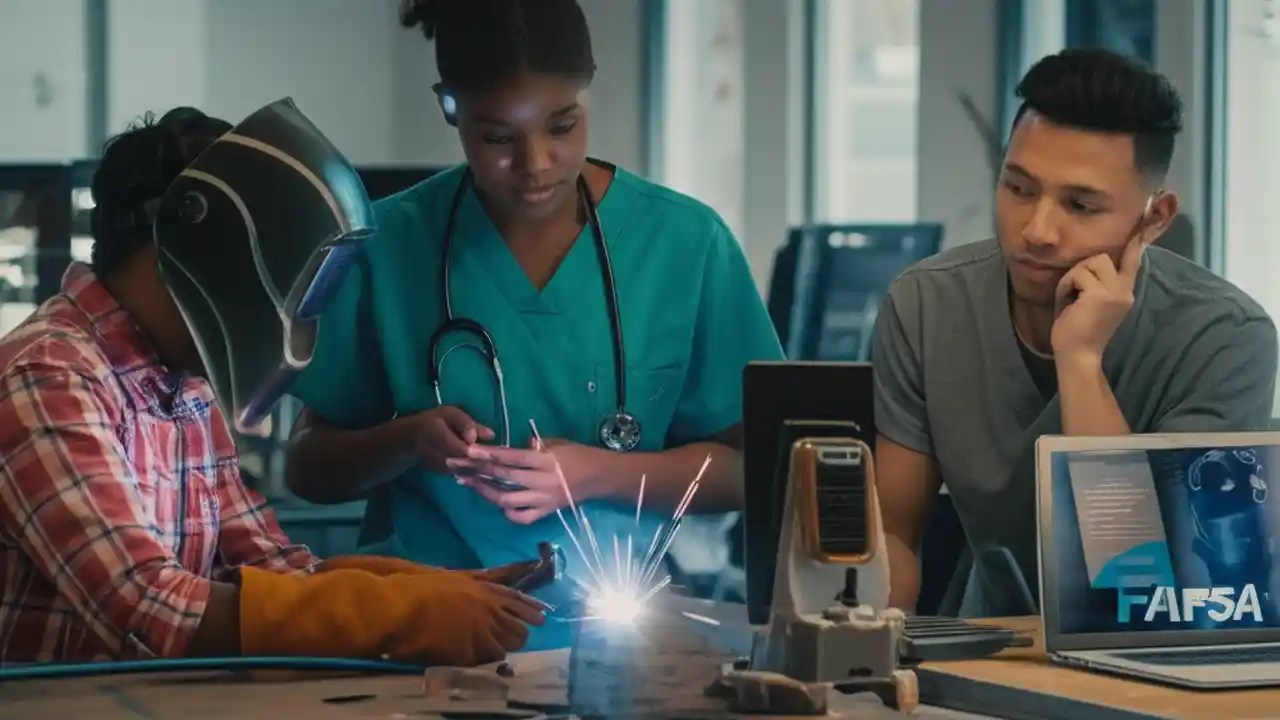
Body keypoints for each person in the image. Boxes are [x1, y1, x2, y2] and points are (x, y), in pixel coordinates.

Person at [284, 0, 784, 645]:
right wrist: (405, 441)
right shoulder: (388, 244)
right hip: (424, 631)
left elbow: (756, 469)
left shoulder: (684, 243)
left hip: (613, 638)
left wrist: (596, 472)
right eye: (498, 138)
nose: (537, 163)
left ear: (587, 95)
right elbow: (307, 469)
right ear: (449, 108)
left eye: (562, 125)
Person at [0, 101, 547, 665]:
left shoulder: (182, 384)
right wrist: (404, 615)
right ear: (187, 248)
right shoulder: (49, 377)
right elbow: (151, 610)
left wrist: (435, 588)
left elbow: (269, 565)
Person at [872, 48, 1279, 617]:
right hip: (988, 646)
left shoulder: (1226, 337)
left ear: (1154, 218)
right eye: (1018, 189)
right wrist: (864, 649)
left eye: (1081, 206)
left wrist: (1081, 359)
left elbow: (1143, 587)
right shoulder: (927, 304)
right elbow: (892, 536)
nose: (1037, 231)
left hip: (1157, 651)